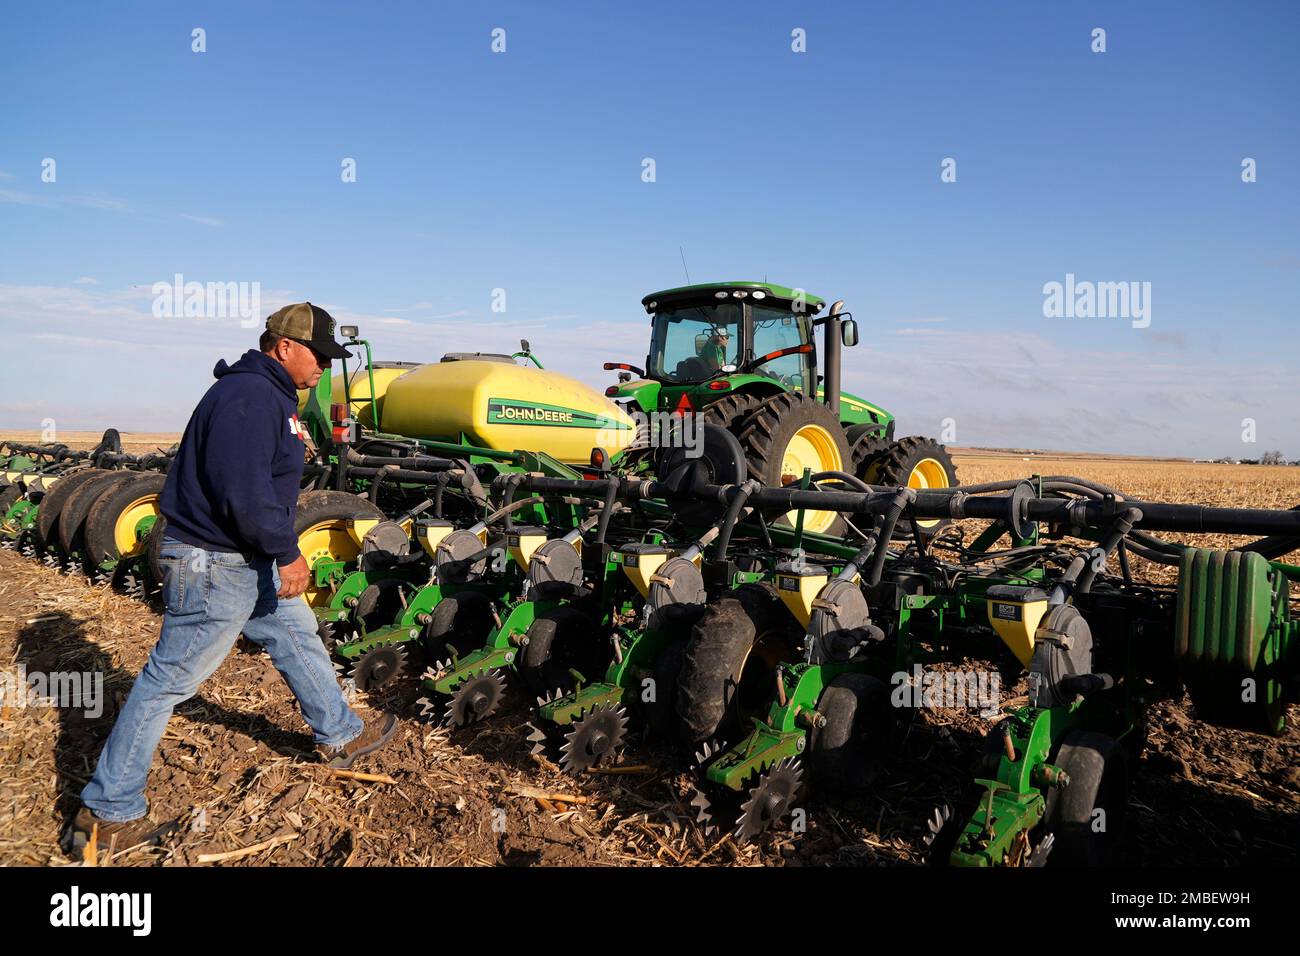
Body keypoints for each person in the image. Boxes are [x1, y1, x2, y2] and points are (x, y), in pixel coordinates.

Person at [67, 303, 398, 858]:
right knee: (167, 681)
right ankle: (106, 812)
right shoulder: (248, 397)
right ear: (283, 346)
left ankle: (340, 733)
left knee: (295, 634)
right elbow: (243, 494)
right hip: (214, 564)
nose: (323, 366)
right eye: (317, 355)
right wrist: (287, 552)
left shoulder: (267, 395)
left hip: (239, 559)